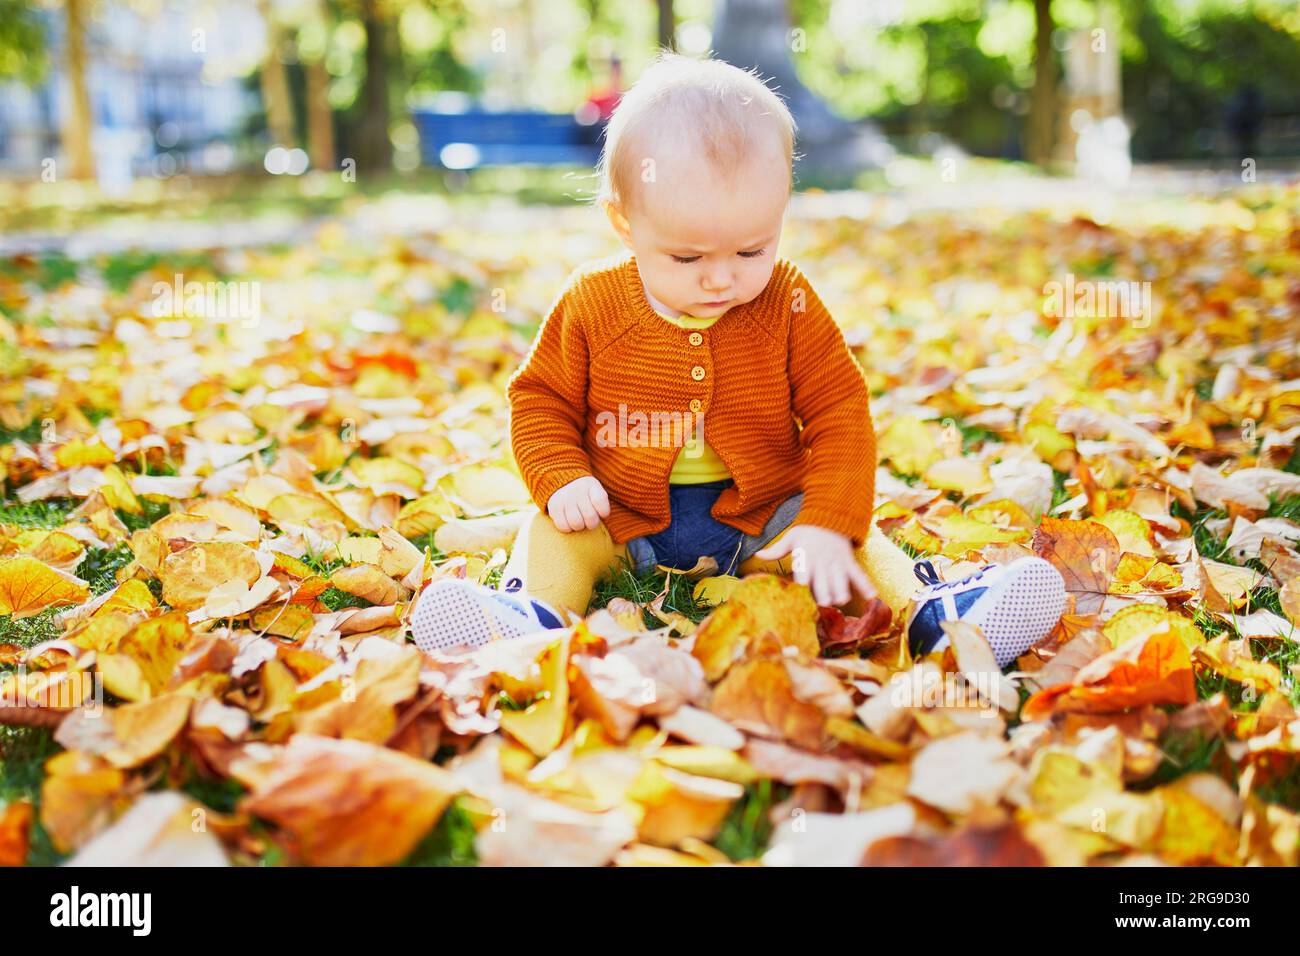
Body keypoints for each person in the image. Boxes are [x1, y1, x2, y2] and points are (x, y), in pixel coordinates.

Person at [410, 53, 1066, 668]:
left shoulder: (788, 300)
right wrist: (559, 474)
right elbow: (539, 400)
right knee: (554, 527)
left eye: (752, 250)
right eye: (689, 258)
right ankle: (528, 618)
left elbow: (839, 408)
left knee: (848, 530)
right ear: (624, 222)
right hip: (620, 515)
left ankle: (936, 616)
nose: (721, 279)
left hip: (762, 515)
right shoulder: (591, 303)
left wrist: (827, 523)